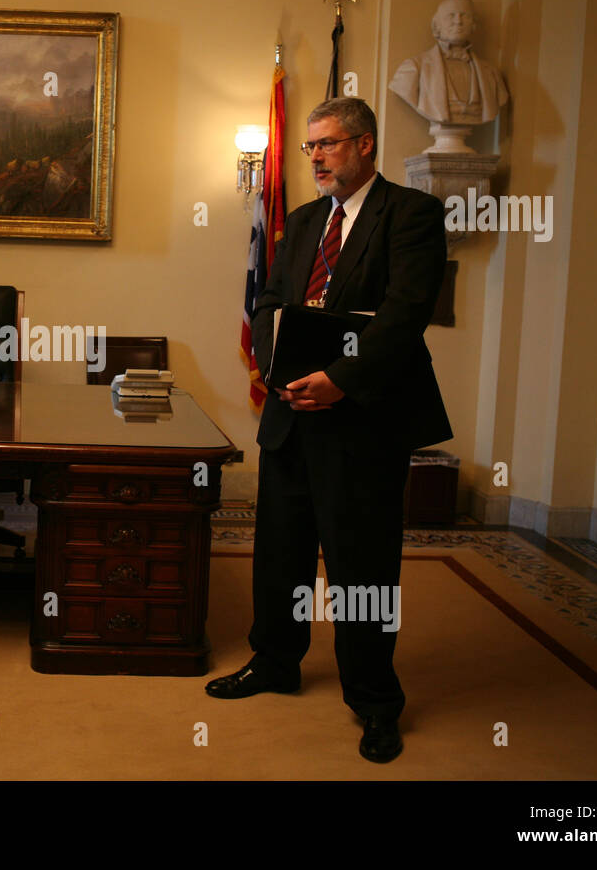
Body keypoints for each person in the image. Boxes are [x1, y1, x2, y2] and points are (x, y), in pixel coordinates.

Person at [207, 98, 452, 763]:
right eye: (311, 146)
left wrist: (340, 378)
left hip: (364, 418)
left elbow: (404, 314)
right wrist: (270, 362)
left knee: (361, 567)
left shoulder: (412, 214)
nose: (315, 156)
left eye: (329, 144)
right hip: (291, 412)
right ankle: (275, 662)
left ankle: (374, 701)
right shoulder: (305, 221)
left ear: (365, 145)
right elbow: (266, 299)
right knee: (279, 553)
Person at [389, 0, 508, 126]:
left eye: (465, 16)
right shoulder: (412, 69)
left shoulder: (491, 74)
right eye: (451, 16)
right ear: (437, 25)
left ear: (474, 24)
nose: (458, 21)